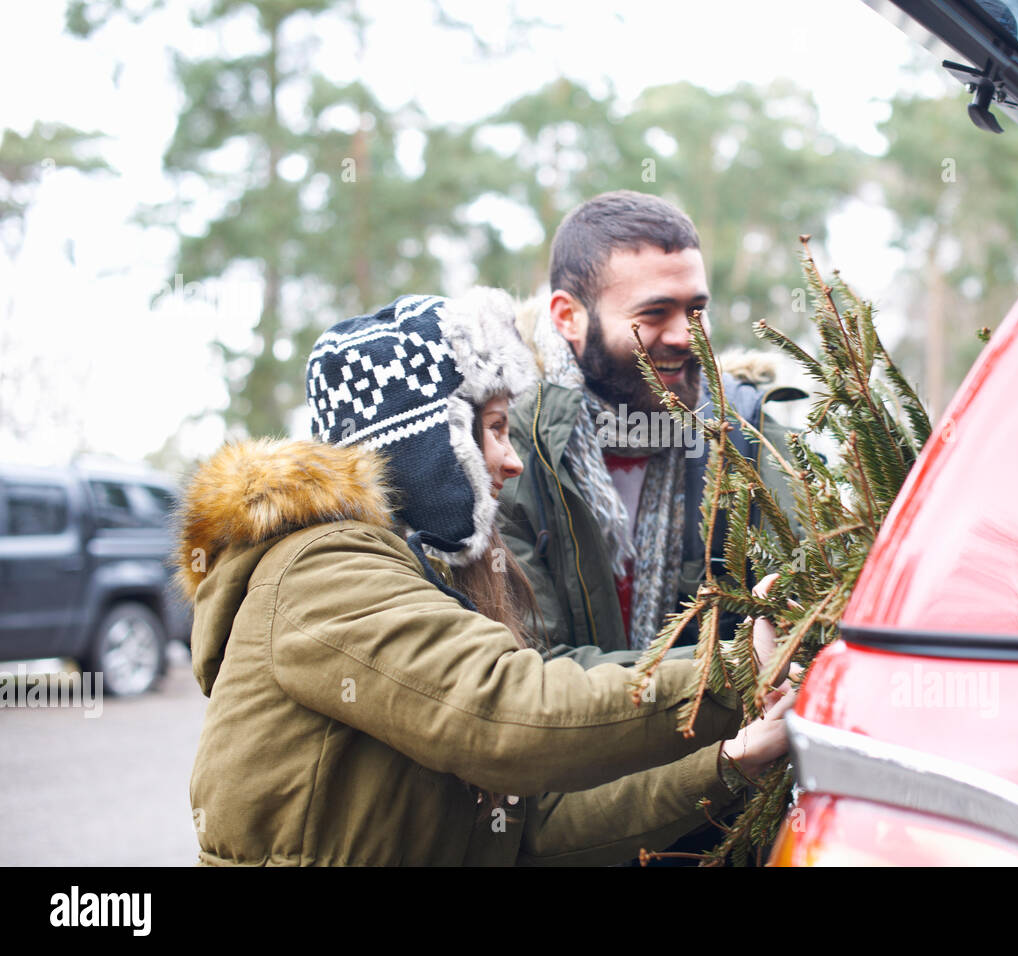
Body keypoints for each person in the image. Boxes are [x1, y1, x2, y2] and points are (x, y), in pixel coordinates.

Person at [178, 288, 791, 866]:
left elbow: (531, 827)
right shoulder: (326, 571)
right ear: (429, 447)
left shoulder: (434, 578)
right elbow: (505, 714)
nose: (513, 458)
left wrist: (730, 763)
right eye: (495, 429)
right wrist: (736, 669)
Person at [499, 190, 803, 662]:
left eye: (696, 309)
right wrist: (735, 678)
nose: (686, 335)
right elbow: (535, 675)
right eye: (654, 314)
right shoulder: (509, 453)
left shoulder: (749, 440)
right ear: (569, 317)